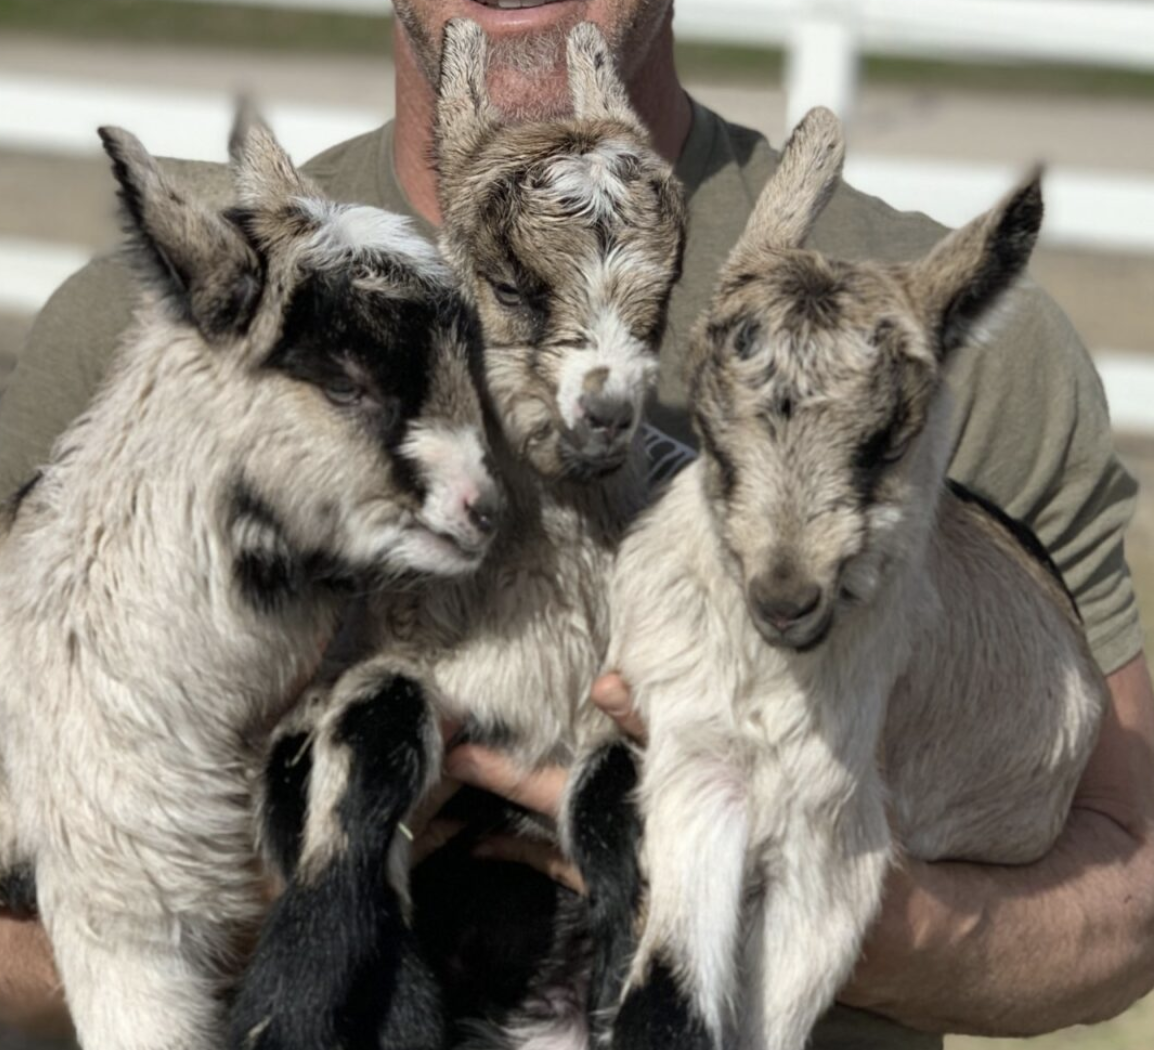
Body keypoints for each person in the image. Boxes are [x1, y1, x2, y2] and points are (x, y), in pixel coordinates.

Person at [1, 0, 1152, 1046]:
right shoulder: (167, 319)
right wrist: (295, 879)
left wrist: (793, 889)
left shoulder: (924, 342)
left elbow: (1128, 899)